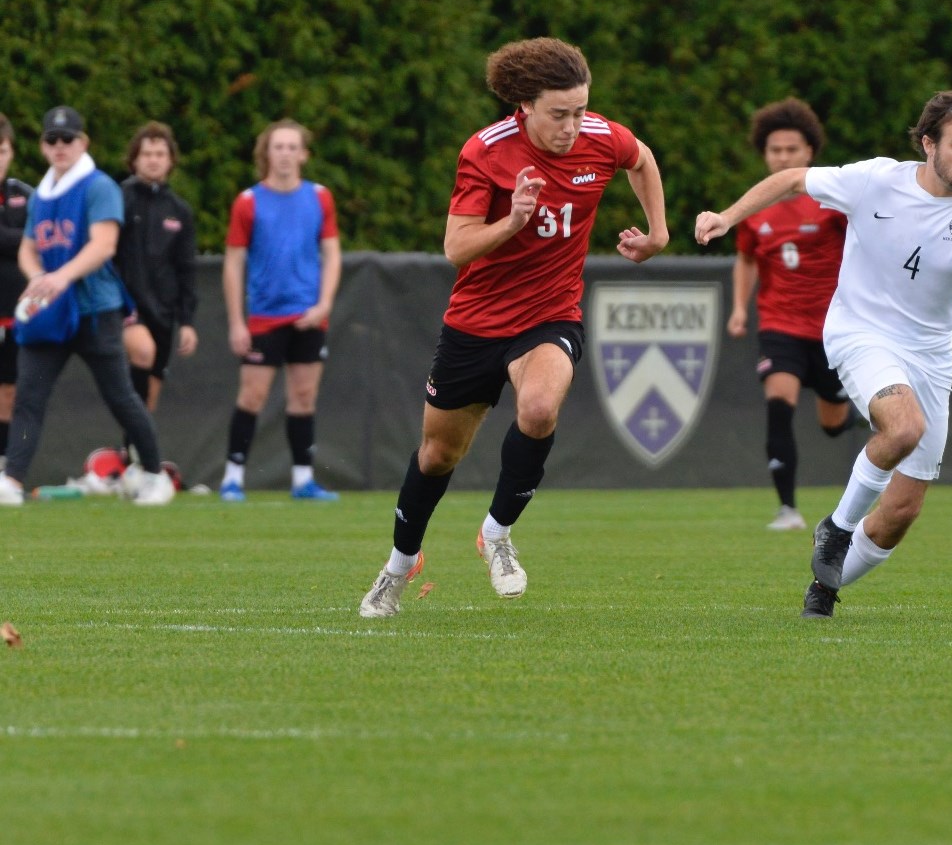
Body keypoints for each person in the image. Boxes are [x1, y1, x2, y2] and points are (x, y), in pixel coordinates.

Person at [695, 89, 952, 619]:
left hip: (931, 357)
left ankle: (824, 589)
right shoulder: (876, 180)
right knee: (904, 427)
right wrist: (728, 216)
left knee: (901, 512)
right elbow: (793, 180)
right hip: (859, 332)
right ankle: (836, 529)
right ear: (928, 144)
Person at [358, 36, 668, 619]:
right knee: (437, 455)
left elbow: (642, 159)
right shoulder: (487, 151)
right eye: (559, 114)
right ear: (524, 105)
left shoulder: (601, 136)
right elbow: (456, 247)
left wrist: (658, 232)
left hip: (550, 313)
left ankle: (496, 534)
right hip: (476, 322)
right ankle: (400, 565)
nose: (572, 126)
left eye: (580, 110)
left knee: (540, 409)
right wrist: (511, 222)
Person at [0, 106, 173, 506]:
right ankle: (11, 480)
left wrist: (60, 277)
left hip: (95, 310)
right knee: (29, 396)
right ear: (43, 146)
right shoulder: (42, 194)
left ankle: (154, 473)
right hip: (50, 313)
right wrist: (37, 277)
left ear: (83, 143)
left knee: (120, 396)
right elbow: (28, 248)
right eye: (52, 139)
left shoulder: (98, 186)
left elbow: (104, 244)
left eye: (68, 139)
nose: (60, 146)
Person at [727, 98, 854, 530]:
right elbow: (746, 260)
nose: (782, 157)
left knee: (833, 425)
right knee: (778, 404)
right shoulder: (753, 207)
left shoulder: (832, 200)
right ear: (764, 154)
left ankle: (849, 411)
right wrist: (739, 308)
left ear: (809, 152)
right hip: (779, 324)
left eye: (791, 149)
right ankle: (787, 510)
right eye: (775, 150)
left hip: (833, 328)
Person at [219, 119, 342, 501]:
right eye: (278, 147)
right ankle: (232, 478)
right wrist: (237, 322)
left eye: (292, 147)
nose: (285, 154)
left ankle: (303, 480)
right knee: (252, 396)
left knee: (304, 396)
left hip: (309, 316)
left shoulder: (320, 197)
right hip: (264, 318)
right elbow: (233, 264)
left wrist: (323, 304)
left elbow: (332, 254)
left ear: (303, 154)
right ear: (266, 153)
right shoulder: (248, 201)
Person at [117, 122, 200, 423]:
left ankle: (134, 449)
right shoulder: (119, 198)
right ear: (134, 159)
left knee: (149, 397)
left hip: (162, 311)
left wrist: (187, 321)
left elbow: (186, 268)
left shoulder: (179, 210)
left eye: (160, 154)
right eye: (147, 154)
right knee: (142, 351)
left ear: (170, 160)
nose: (153, 160)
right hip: (124, 306)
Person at [0, 114, 33, 480]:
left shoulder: (25, 194)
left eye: (2, 151)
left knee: (10, 389)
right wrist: (16, 239)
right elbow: (20, 240)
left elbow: (36, 239)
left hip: (14, 311)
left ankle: (4, 464)